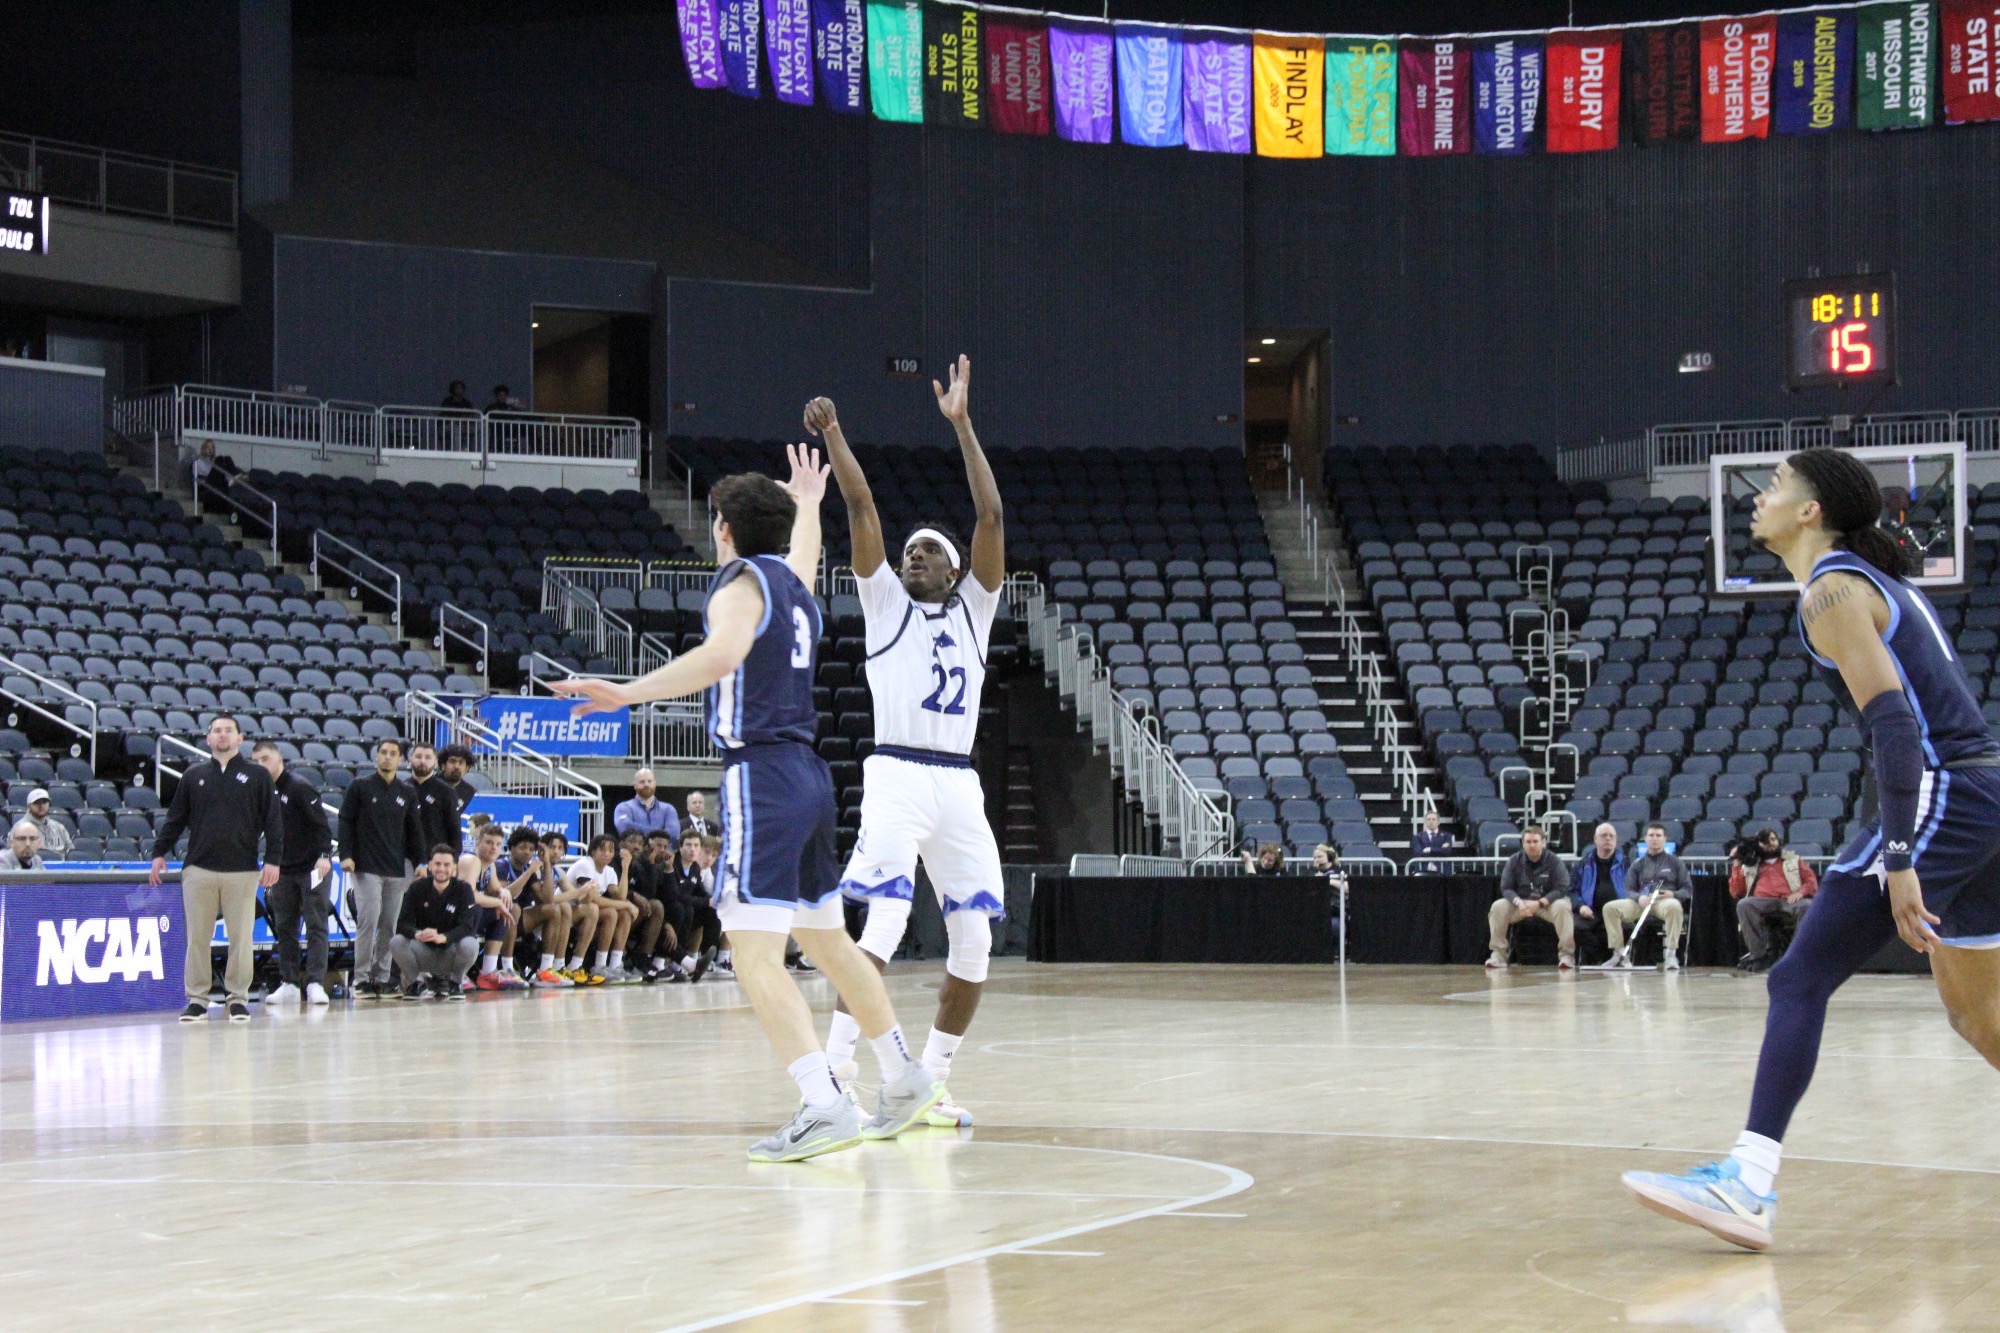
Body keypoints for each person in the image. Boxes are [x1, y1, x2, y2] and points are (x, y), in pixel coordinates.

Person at [1624, 449, 2000, 1252]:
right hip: (1983, 792)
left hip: (1945, 793)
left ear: (1809, 510)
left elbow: (1895, 725)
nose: (1757, 499)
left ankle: (1747, 1184)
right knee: (1978, 1014)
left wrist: (1898, 855)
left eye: (1774, 487)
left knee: (1799, 975)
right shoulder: (1871, 582)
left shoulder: (1832, 587)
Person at [550, 443, 945, 1162]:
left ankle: (824, 1103)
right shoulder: (796, 587)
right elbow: (804, 554)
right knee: (828, 940)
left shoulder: (737, 583)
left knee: (751, 947)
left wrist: (624, 692)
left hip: (760, 773)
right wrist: (809, 505)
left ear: (725, 530)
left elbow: (724, 655)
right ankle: (903, 1073)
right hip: (810, 775)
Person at [804, 365, 1006, 1130]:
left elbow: (989, 516)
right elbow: (859, 503)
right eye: (909, 550)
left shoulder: (976, 611)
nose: (912, 556)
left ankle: (928, 1079)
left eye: (927, 552)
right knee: (882, 924)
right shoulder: (884, 599)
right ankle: (835, 1073)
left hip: (958, 784)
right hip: (895, 771)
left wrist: (960, 423)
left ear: (954, 571)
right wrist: (833, 433)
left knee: (976, 940)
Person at [150, 715, 283, 1023]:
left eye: (228, 730)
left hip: (243, 871)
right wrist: (159, 852)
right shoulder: (193, 776)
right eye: (217, 731)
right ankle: (197, 999)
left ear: (240, 738)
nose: (222, 735)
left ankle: (236, 999)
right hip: (199, 870)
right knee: (197, 937)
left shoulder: (258, 777)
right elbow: (175, 819)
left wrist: (273, 860)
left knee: (241, 939)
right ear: (208, 739)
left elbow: (274, 823)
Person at [338, 738, 427, 999]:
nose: (387, 757)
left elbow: (414, 830)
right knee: (369, 920)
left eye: (393, 754)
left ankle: (381, 977)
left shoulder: (407, 792)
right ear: (377, 757)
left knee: (389, 924)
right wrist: (346, 854)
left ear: (401, 759)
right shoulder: (360, 786)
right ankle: (362, 979)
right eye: (383, 753)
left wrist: (420, 861)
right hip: (365, 867)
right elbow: (345, 820)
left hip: (396, 869)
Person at [252, 741, 335, 1005]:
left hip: (312, 867)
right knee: (284, 926)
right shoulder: (260, 792)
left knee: (316, 924)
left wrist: (324, 857)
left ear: (279, 760)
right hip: (282, 869)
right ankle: (288, 981)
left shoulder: (299, 787)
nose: (260, 765)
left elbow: (322, 826)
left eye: (265, 759)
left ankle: (315, 983)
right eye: (255, 761)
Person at [390, 846, 479, 1000]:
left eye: (446, 865)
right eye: (437, 864)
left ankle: (455, 982)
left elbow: (466, 926)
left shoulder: (464, 890)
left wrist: (443, 937)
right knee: (396, 941)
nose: (441, 869)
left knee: (471, 944)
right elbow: (402, 923)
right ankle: (416, 983)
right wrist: (417, 934)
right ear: (430, 865)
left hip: (450, 951)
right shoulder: (416, 888)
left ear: (454, 868)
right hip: (423, 951)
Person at [1729, 827, 1820, 973]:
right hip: (1763, 901)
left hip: (1790, 900)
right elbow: (1736, 892)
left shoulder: (1794, 860)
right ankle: (1758, 956)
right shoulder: (1751, 864)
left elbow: (1811, 882)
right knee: (1743, 904)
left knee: (1807, 906)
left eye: (1773, 839)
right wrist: (1737, 865)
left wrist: (1800, 893)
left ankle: (1798, 954)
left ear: (1779, 841)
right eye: (1765, 841)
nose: (1770, 843)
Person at [1486, 825, 1576, 970]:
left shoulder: (1554, 861)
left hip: (1547, 904)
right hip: (1521, 905)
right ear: (1523, 843)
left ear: (1543, 842)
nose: (1532, 845)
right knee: (1498, 906)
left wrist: (1541, 902)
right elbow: (1506, 887)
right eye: (1528, 842)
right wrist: (1518, 902)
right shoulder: (1514, 860)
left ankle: (1567, 956)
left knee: (1563, 906)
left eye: (1535, 841)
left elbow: (1562, 887)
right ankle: (1498, 955)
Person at [1605, 822, 1692, 970]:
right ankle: (1619, 954)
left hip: (1663, 902)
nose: (1655, 839)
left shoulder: (1676, 863)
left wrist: (1672, 894)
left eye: (1658, 835)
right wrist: (1639, 897)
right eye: (1651, 835)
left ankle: (1671, 955)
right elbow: (1628, 889)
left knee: (1674, 906)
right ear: (1645, 839)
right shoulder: (1637, 864)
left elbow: (1687, 890)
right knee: (1610, 907)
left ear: (1665, 839)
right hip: (1641, 902)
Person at [563, 833, 643, 983]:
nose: (607, 854)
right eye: (603, 850)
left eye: (611, 850)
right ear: (593, 851)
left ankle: (611, 966)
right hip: (567, 912)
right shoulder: (585, 865)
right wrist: (627, 904)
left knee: (622, 914)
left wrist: (625, 869)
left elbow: (620, 895)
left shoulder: (609, 871)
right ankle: (574, 965)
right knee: (602, 909)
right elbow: (593, 899)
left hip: (587, 916)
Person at [459, 822, 529, 990]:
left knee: (507, 909)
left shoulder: (490, 865)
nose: (493, 848)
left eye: (498, 844)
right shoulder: (471, 861)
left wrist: (502, 893)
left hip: (468, 917)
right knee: (475, 909)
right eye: (489, 842)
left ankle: (488, 971)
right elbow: (469, 897)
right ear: (477, 843)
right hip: (450, 917)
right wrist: (498, 901)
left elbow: (496, 888)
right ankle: (458, 972)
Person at [501, 827, 572, 988]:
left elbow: (546, 900)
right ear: (511, 847)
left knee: (554, 909)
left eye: (531, 849)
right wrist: (530, 871)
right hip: (498, 918)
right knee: (514, 908)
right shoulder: (502, 866)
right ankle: (507, 969)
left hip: (520, 920)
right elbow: (506, 895)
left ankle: (545, 969)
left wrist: (546, 863)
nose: (527, 852)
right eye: (523, 847)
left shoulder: (530, 870)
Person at [1571, 822, 1627, 938]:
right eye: (1604, 835)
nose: (1608, 838)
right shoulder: (1582, 864)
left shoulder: (1626, 864)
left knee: (1630, 929)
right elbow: (1571, 891)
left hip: (1619, 912)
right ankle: (1596, 955)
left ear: (1616, 840)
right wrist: (1580, 906)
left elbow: (1636, 887)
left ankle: (1618, 955)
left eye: (1611, 836)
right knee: (1575, 928)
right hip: (1590, 912)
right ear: (1595, 839)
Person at [408, 743, 462, 856]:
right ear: (410, 760)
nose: (422, 761)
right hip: (404, 859)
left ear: (436, 762)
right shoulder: (401, 789)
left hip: (435, 859)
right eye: (418, 756)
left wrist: (454, 859)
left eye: (428, 757)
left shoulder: (446, 792)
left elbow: (454, 831)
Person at [613, 768, 681, 842]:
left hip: (663, 853)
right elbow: (625, 828)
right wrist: (661, 833)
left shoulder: (669, 809)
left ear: (655, 784)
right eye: (642, 782)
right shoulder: (623, 807)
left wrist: (639, 831)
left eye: (649, 781)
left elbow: (674, 834)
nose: (646, 784)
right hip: (634, 853)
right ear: (635, 785)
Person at [21, 789, 74, 856]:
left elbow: (71, 852)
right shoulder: (20, 829)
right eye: (36, 802)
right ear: (29, 806)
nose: (41, 805)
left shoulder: (59, 828)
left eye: (44, 802)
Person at [439, 744, 478, 809]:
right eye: (452, 761)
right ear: (443, 766)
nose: (457, 766)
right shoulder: (431, 785)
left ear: (467, 769)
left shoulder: (469, 791)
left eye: (461, 762)